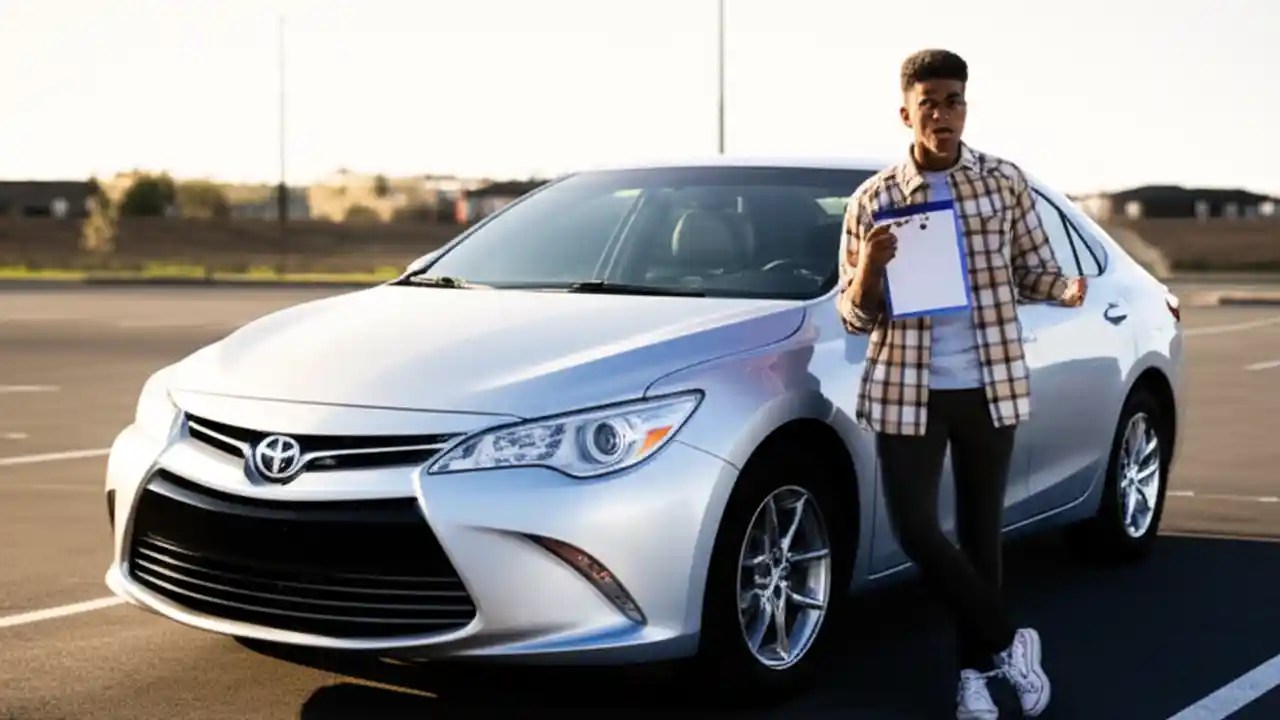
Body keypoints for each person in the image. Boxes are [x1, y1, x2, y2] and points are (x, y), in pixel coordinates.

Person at [836, 49, 1086, 719]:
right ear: (906, 114)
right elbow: (854, 316)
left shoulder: (1003, 182)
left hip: (988, 383)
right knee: (916, 529)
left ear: (966, 107)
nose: (942, 115)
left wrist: (1064, 288)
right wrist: (871, 267)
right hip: (907, 389)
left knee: (981, 536)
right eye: (929, 104)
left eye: (953, 101)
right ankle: (1010, 642)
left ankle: (973, 679)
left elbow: (1032, 269)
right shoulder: (875, 200)